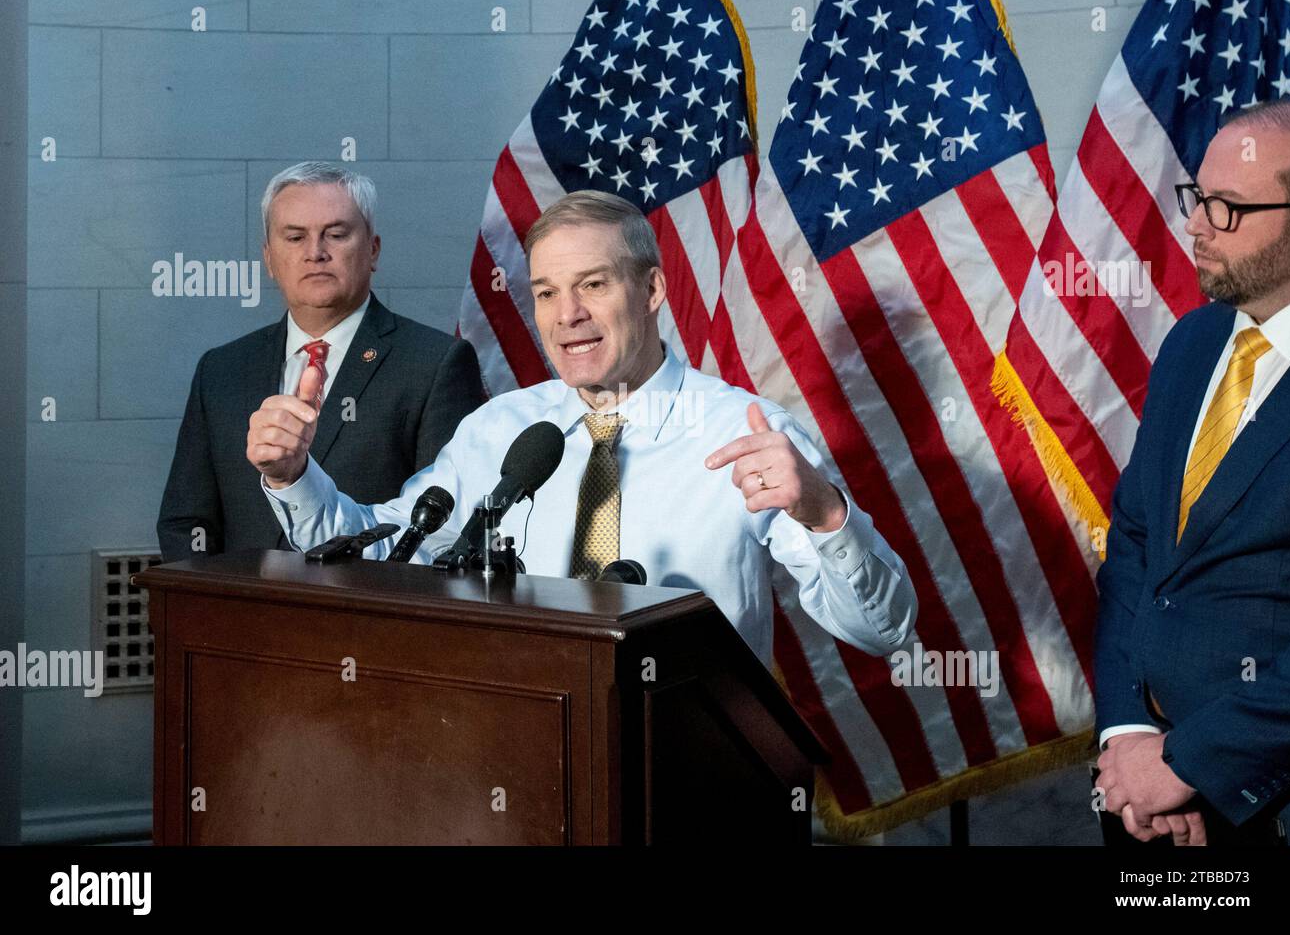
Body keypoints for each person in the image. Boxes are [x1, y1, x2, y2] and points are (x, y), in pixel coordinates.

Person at [246, 190, 917, 666]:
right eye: (545, 292)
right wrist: (294, 478)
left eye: (592, 285)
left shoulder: (743, 430)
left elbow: (882, 631)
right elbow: (386, 563)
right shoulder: (501, 429)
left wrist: (827, 513)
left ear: (651, 290)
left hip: (692, 772)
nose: (566, 315)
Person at [1094, 100, 1290, 846]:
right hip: (1142, 800)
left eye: (1231, 207)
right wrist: (1125, 732)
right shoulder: (1192, 342)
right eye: (1198, 197)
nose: (1197, 225)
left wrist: (1190, 763)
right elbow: (1135, 545)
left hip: (1271, 808)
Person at [157, 162, 484, 562]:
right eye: (295, 237)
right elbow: (186, 522)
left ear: (373, 250)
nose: (315, 253)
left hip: (362, 618)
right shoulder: (221, 370)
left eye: (336, 234)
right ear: (269, 259)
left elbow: (443, 531)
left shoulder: (436, 363)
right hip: (240, 620)